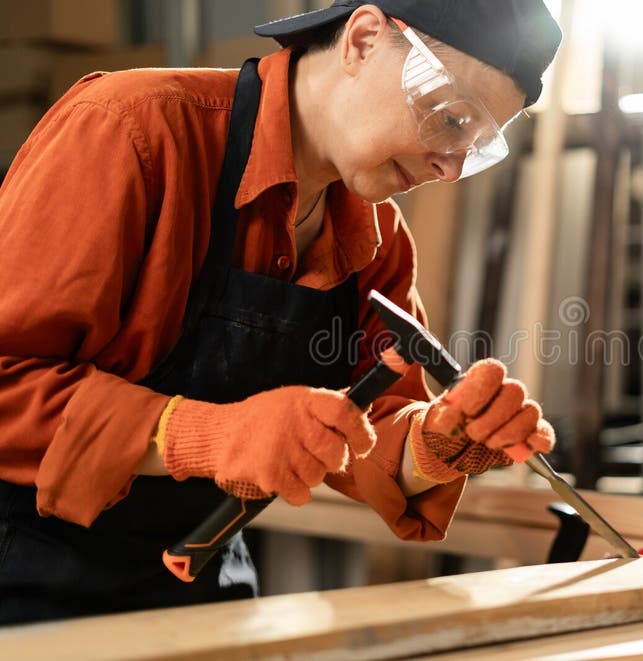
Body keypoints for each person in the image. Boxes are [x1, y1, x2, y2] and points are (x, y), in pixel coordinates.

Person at [0, 0, 561, 625]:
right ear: (364, 40)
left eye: (476, 147)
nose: (451, 167)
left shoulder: (374, 235)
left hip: (204, 586)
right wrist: (204, 436)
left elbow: (371, 430)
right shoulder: (131, 131)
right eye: (450, 119)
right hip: (25, 585)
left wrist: (435, 444)